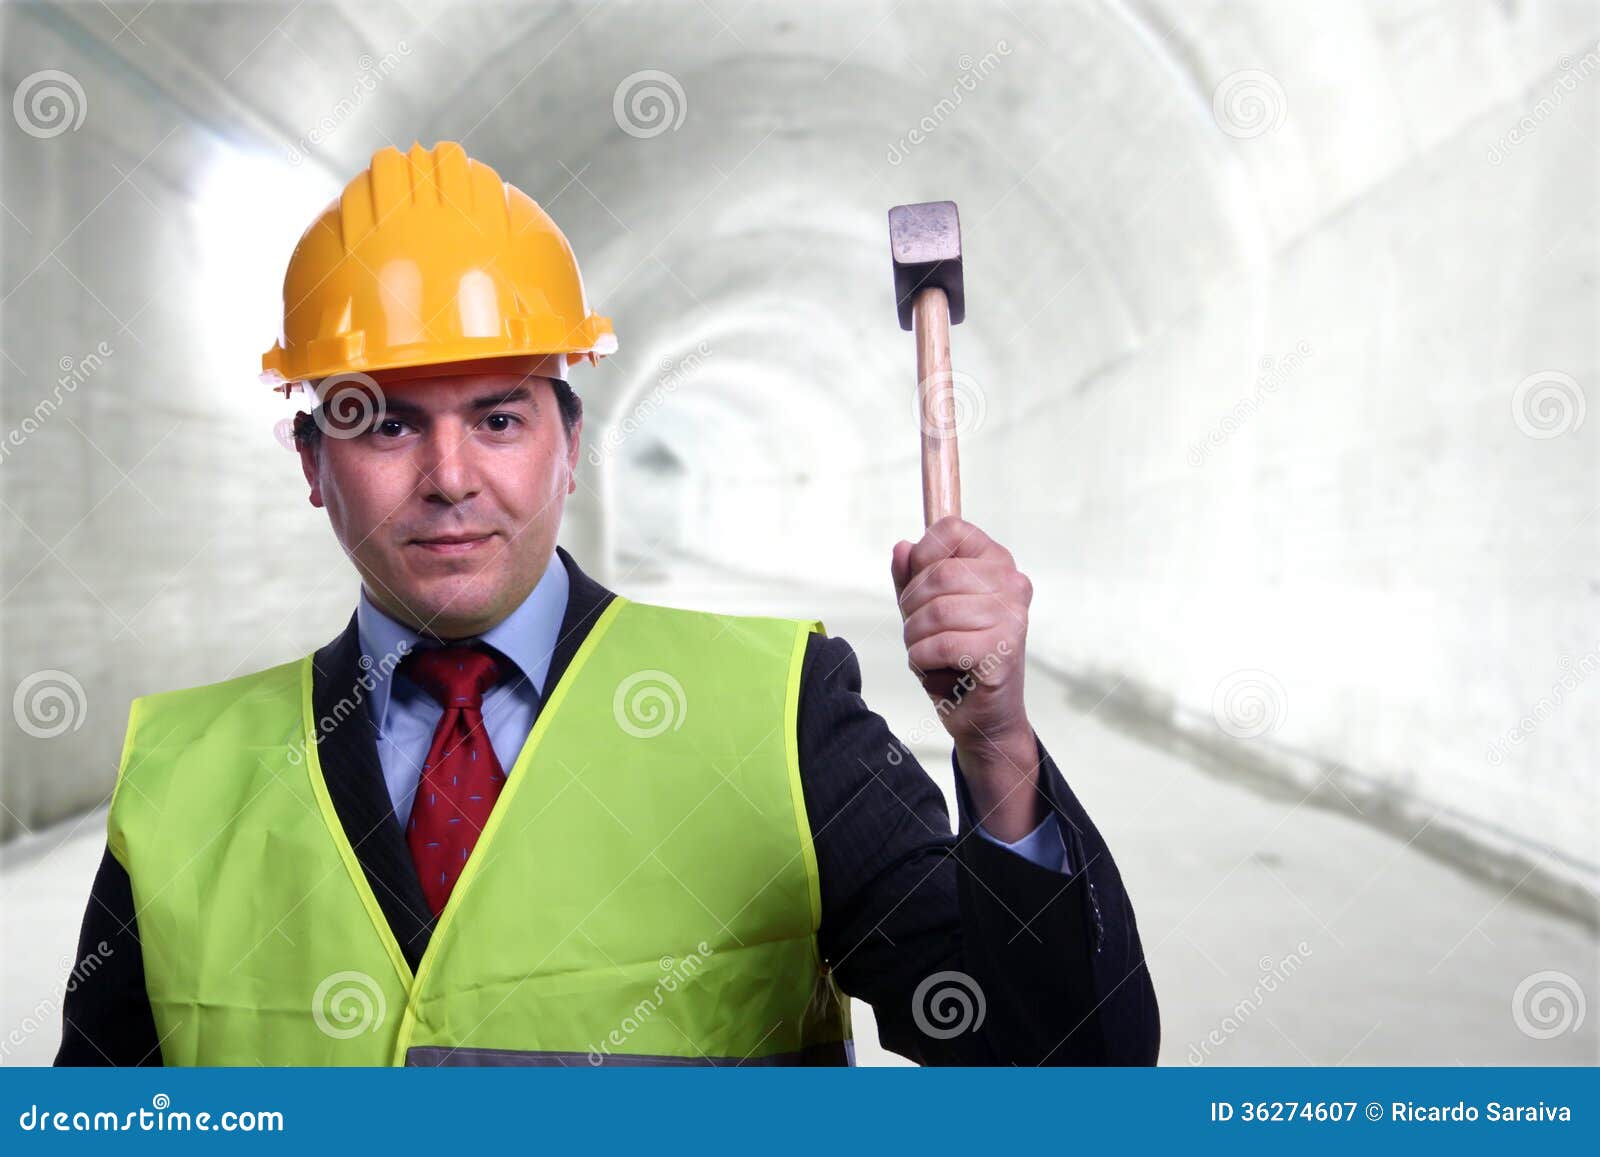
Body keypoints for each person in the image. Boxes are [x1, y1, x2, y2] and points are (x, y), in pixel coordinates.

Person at [55, 141, 1157, 1066]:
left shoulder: (776, 712)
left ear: (569, 444)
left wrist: (1000, 749)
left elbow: (1056, 1061)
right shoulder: (186, 774)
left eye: (497, 417)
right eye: (386, 422)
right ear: (311, 461)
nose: (448, 476)